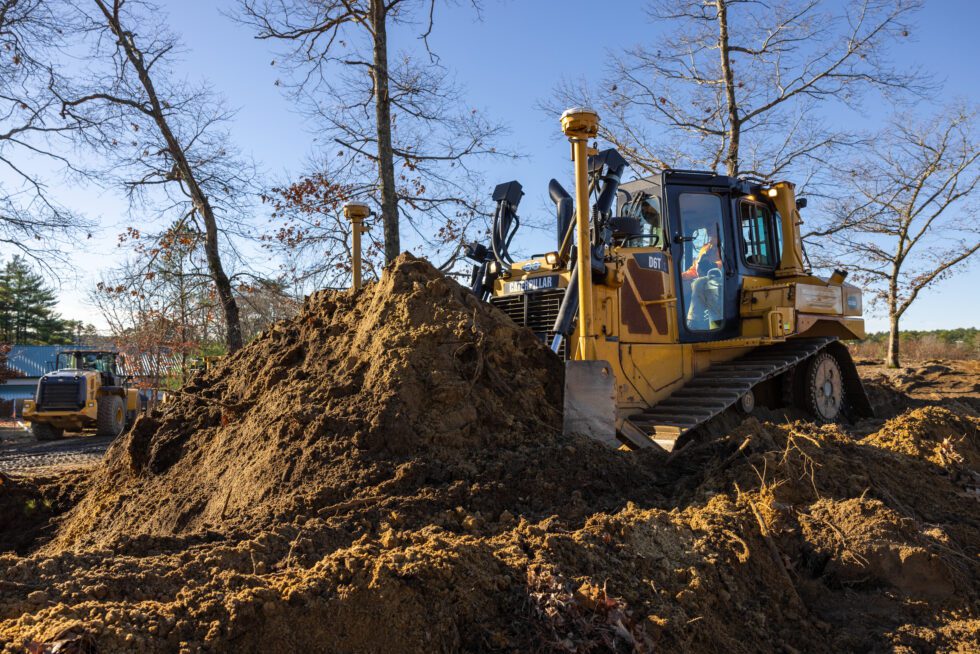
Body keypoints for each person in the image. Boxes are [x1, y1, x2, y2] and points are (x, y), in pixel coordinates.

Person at [687, 249, 723, 330]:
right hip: (708, 322)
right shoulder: (717, 282)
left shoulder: (697, 282)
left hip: (694, 321)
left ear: (699, 270)